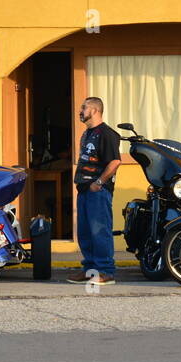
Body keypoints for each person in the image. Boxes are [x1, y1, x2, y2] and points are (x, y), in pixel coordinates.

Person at [67, 96, 122, 286]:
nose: (80, 111)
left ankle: (106, 272)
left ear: (95, 110)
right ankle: (90, 269)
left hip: (98, 191)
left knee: (100, 231)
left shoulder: (107, 134)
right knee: (85, 233)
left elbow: (115, 161)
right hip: (83, 190)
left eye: (84, 108)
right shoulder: (87, 134)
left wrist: (98, 182)